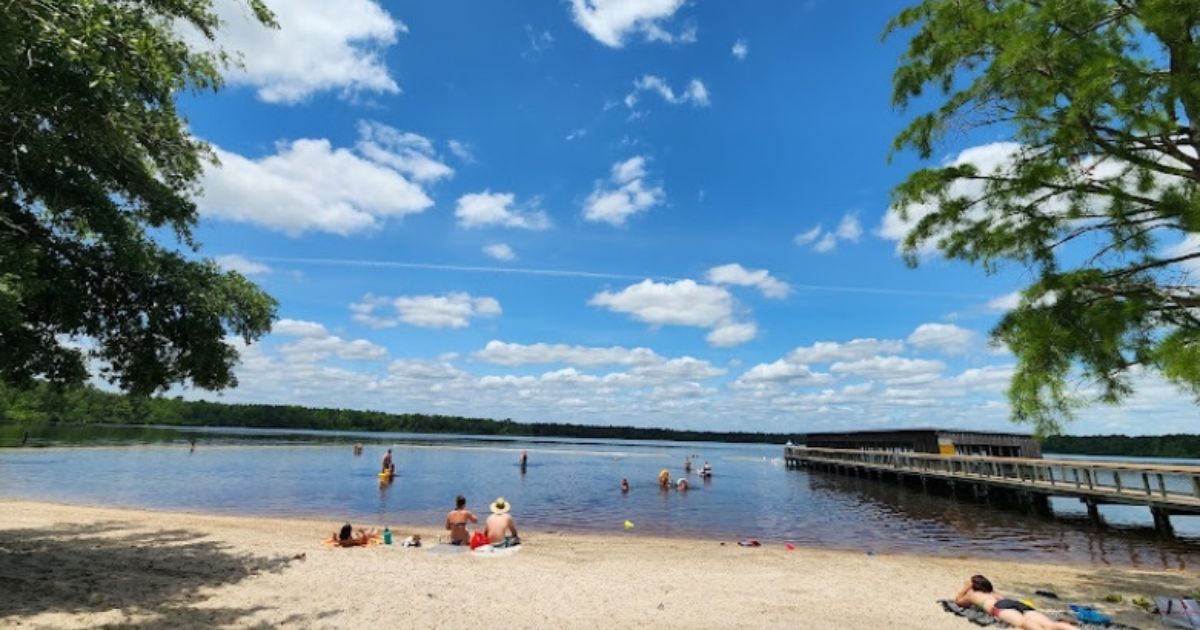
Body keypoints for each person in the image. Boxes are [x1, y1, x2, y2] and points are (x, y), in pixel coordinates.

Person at [954, 575, 1076, 629]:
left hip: (1000, 607)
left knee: (1023, 622)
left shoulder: (972, 594)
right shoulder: (993, 593)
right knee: (1050, 624)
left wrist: (965, 587)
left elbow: (958, 602)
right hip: (1015, 603)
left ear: (973, 586)